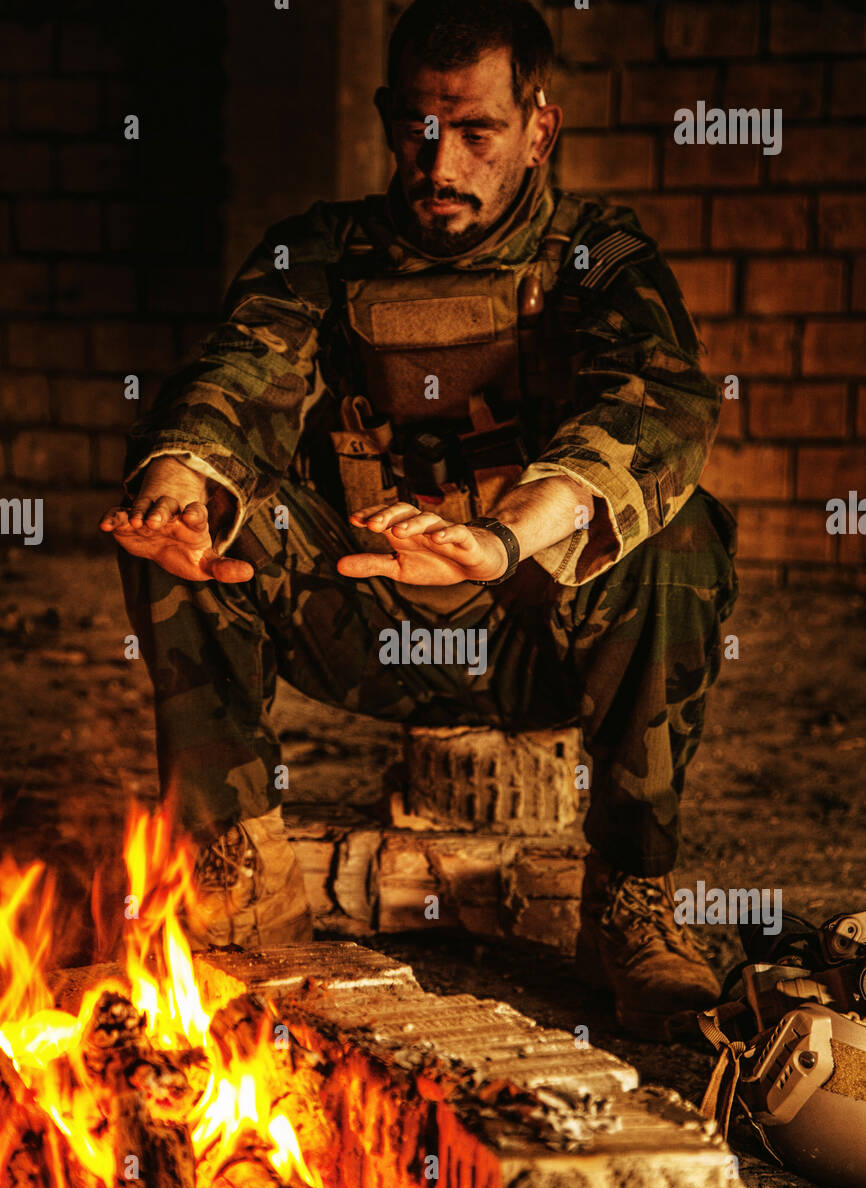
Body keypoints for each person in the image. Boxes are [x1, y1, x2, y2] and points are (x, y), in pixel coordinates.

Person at [101, 0, 738, 1041]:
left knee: (680, 536)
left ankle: (629, 898)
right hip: (359, 614)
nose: (437, 162)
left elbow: (652, 406)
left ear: (540, 128)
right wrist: (187, 473)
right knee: (188, 517)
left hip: (532, 628)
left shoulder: (599, 255)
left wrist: (504, 533)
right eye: (416, 125)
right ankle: (233, 867)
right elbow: (238, 372)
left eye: (476, 130)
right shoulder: (317, 249)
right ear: (386, 115)